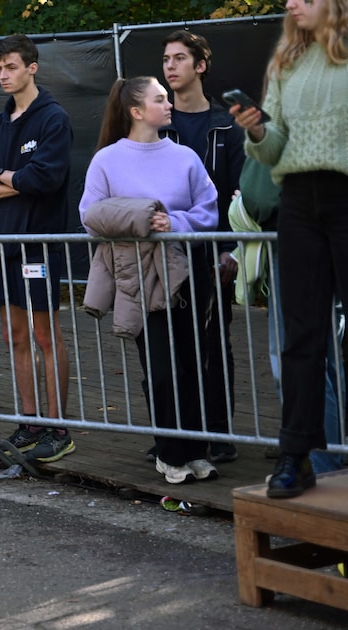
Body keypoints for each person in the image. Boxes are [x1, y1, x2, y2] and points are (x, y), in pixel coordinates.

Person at [80, 76, 219, 485]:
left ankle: (195, 451)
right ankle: (169, 453)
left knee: (193, 365)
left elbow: (209, 211)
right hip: (141, 277)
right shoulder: (106, 160)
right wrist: (140, 218)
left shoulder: (186, 157)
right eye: (160, 99)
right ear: (137, 111)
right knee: (160, 365)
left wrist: (173, 222)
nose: (169, 104)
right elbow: (89, 215)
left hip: (188, 272)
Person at [236, 0, 348, 498]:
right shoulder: (287, 57)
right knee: (300, 336)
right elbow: (275, 144)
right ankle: (296, 456)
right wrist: (257, 129)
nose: (290, 3)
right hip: (298, 200)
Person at [0, 34, 75, 462]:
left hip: (38, 246)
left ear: (32, 67)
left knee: (46, 335)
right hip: (1, 245)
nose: (3, 75)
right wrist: (13, 177)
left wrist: (0, 175)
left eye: (11, 66)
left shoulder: (53, 119)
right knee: (15, 335)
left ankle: (57, 426)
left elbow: (46, 179)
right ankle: (30, 422)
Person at [160, 29, 244, 464]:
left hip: (213, 250)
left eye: (179, 58)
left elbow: (238, 191)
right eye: (166, 59)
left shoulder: (225, 124)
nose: (170, 66)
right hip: (164, 252)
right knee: (167, 342)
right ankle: (174, 434)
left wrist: (232, 248)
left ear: (201, 66)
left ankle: (220, 433)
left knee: (213, 341)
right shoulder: (157, 122)